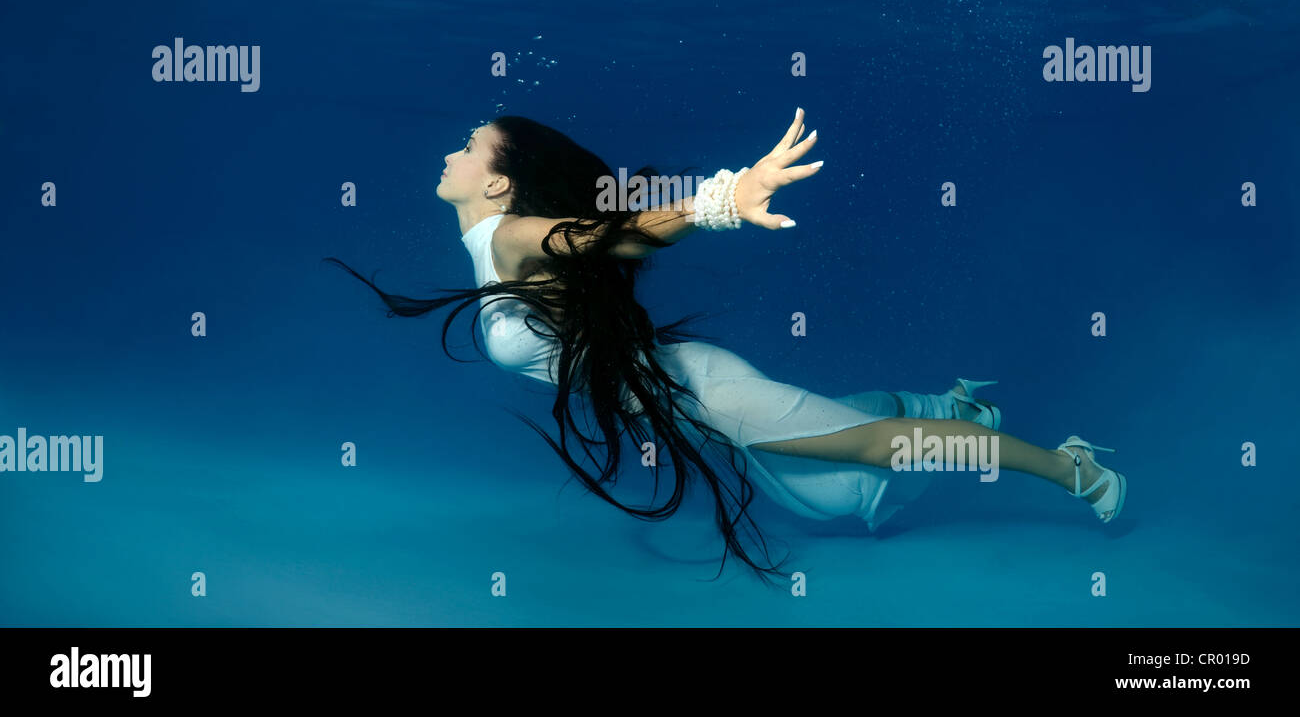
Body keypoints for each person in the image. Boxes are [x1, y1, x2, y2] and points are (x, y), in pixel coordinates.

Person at [325, 109, 1126, 584]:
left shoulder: (508, 233)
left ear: (497, 185)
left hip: (705, 393)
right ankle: (946, 406)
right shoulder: (496, 241)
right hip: (690, 401)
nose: (448, 155)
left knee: (873, 466)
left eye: (466, 148)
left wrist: (722, 200)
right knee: (829, 492)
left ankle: (1071, 465)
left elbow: (611, 233)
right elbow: (618, 248)